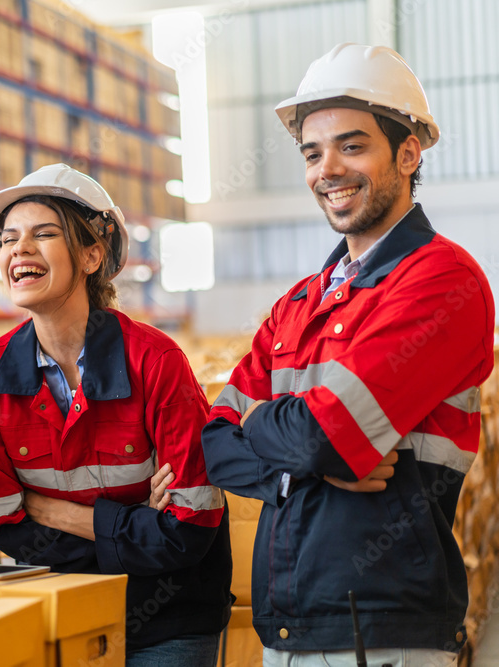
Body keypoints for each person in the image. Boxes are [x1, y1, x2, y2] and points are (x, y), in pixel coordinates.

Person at [199, 43, 494, 667]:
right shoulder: (299, 303)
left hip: (384, 633)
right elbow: (214, 443)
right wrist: (295, 463)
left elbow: (324, 438)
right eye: (312, 152)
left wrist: (264, 425)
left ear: (409, 152)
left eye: (352, 146)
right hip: (288, 629)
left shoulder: (443, 282)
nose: (327, 168)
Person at [0, 163, 232, 666]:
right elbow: (6, 527)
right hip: (60, 614)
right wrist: (134, 526)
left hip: (169, 620)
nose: (19, 249)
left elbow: (190, 529)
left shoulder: (156, 362)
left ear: (91, 255)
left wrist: (53, 510)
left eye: (43, 234)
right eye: (9, 238)